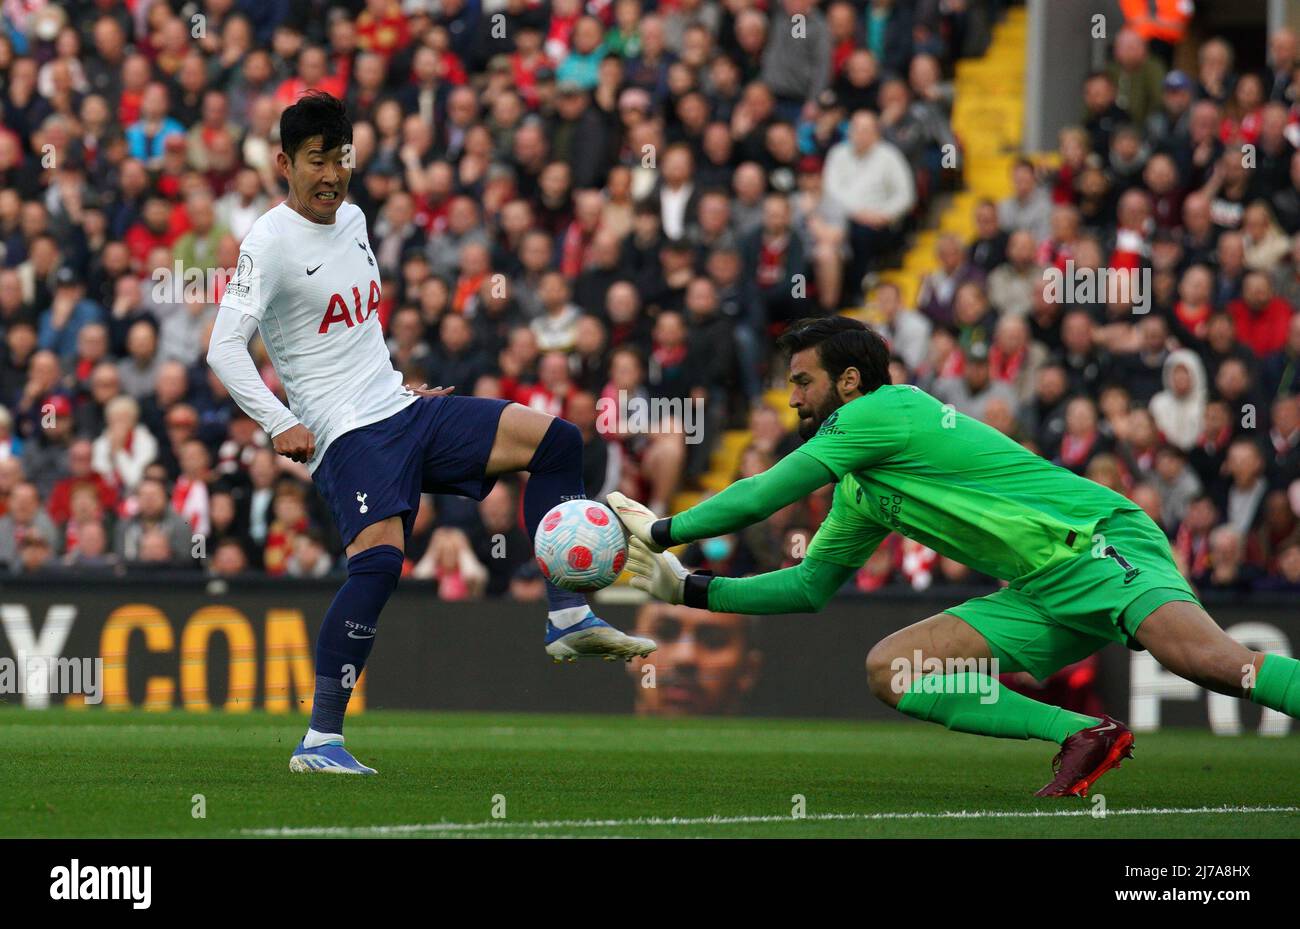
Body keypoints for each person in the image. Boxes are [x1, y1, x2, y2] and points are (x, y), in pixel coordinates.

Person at [615, 317, 1300, 797]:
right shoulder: (859, 483)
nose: (791, 396)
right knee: (893, 669)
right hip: (1039, 586)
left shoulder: (880, 411)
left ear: (850, 380)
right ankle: (1086, 732)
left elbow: (766, 492)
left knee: (1210, 662)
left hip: (1095, 542)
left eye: (802, 380)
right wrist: (690, 589)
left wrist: (660, 530)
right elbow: (809, 585)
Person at [206, 93, 654, 776]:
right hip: (347, 433)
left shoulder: (355, 218)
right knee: (380, 565)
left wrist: (399, 382)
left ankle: (567, 614)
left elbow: (354, 330)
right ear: (283, 164)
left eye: (341, 158)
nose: (331, 175)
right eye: (315, 161)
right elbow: (223, 349)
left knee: (559, 440)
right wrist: (279, 421)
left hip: (402, 407)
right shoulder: (267, 243)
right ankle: (321, 740)